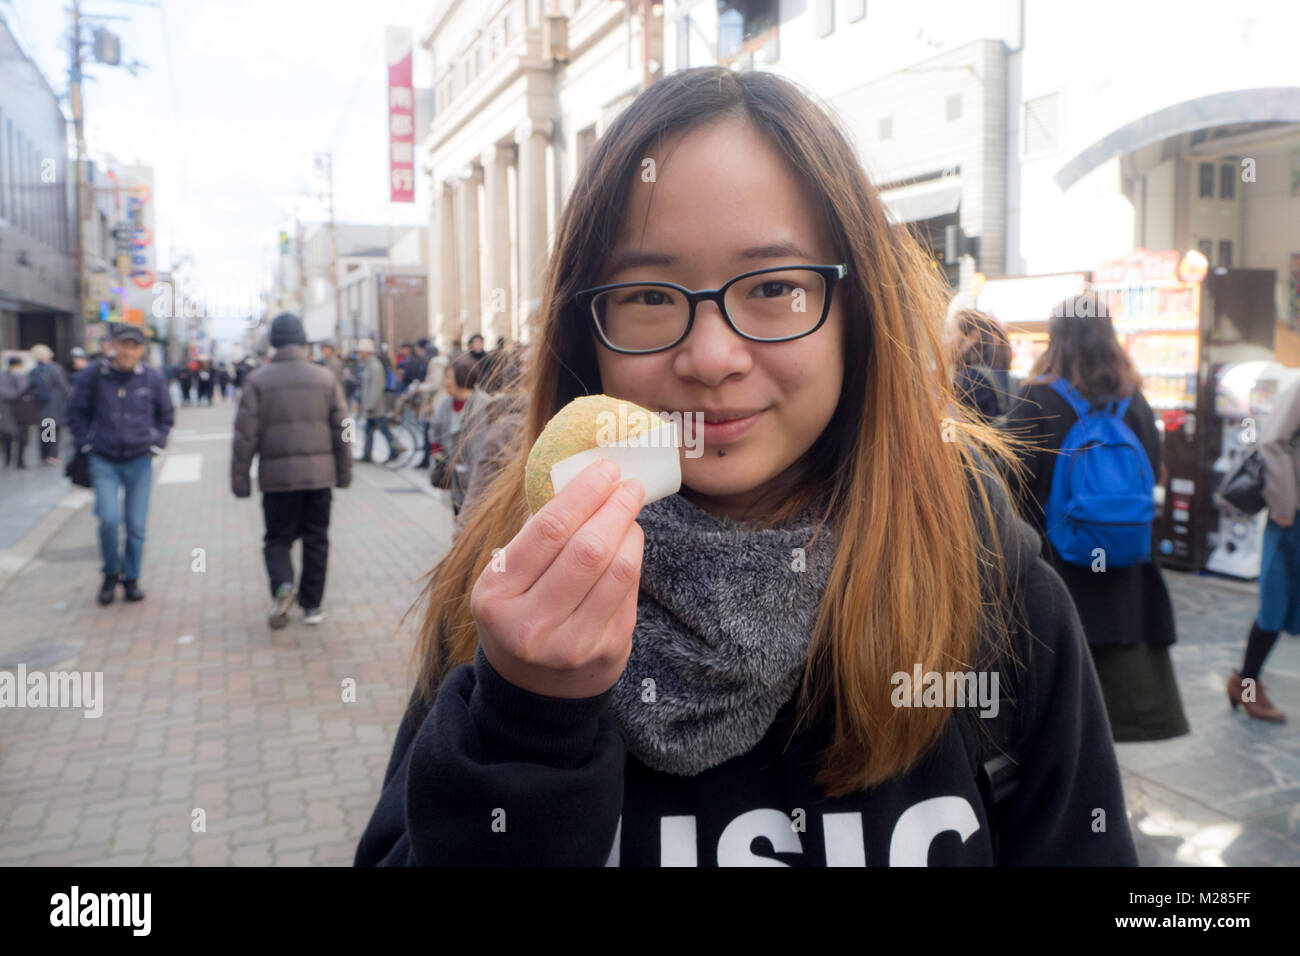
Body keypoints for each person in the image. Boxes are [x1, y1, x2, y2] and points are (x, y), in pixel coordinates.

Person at [355, 66, 1136, 866]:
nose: (711, 356)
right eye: (650, 296)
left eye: (772, 287)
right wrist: (526, 722)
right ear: (586, 327)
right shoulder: (510, 592)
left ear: (855, 312)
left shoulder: (988, 585)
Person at [1003, 302, 1188, 742]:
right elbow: (1154, 469)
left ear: (1057, 338)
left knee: (1056, 725)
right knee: (1109, 714)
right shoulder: (1135, 403)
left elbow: (1007, 477)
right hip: (1124, 576)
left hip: (1057, 572)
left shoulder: (1038, 399)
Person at [232, 313, 352, 629]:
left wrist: (241, 480)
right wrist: (345, 471)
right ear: (302, 341)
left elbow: (244, 435)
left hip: (277, 481)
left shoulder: (257, 381)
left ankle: (283, 585)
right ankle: (312, 606)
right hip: (318, 477)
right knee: (316, 539)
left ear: (273, 343)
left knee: (277, 538)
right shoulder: (325, 378)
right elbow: (344, 428)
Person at [68, 323, 174, 606]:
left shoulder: (152, 378)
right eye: (123, 345)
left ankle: (131, 578)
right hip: (103, 458)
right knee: (109, 518)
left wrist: (156, 442)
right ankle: (110, 573)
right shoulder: (93, 376)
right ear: (112, 345)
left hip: (140, 459)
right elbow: (75, 413)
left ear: (141, 350)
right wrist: (86, 443)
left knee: (136, 526)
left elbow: (166, 415)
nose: (127, 351)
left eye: (134, 346)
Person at [1227, 374, 1300, 722]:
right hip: (1293, 520)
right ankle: (1247, 683)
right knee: (1275, 605)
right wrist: (1285, 507)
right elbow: (1271, 443)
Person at [950, 309, 1011, 423]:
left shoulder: (968, 380)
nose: (948, 341)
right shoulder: (1005, 376)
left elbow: (950, 434)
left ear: (973, 337)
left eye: (950, 334)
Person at [357, 338, 405, 464]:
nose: (359, 354)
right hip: (371, 407)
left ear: (367, 352)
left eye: (361, 351)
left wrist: (370, 405)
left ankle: (395, 450)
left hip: (376, 407)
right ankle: (367, 454)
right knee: (369, 431)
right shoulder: (368, 366)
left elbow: (376, 387)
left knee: (385, 431)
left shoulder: (375, 366)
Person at [27, 344, 71, 464]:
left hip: (40, 404)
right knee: (53, 430)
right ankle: (52, 455)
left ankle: (44, 455)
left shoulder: (33, 371)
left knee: (45, 429)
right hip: (54, 403)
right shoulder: (55, 368)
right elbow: (63, 386)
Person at [0, 356, 33, 468]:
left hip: (18, 411)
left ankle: (17, 461)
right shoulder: (6, 376)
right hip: (11, 410)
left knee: (20, 436)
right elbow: (20, 391)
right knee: (9, 435)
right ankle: (10, 460)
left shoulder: (21, 375)